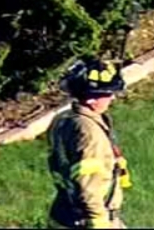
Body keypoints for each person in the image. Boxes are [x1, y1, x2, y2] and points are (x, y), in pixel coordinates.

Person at [47, 57, 132, 229]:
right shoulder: (89, 133)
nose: (112, 98)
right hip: (88, 220)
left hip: (64, 211)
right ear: (91, 100)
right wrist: (99, 222)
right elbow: (88, 186)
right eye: (107, 94)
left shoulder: (63, 120)